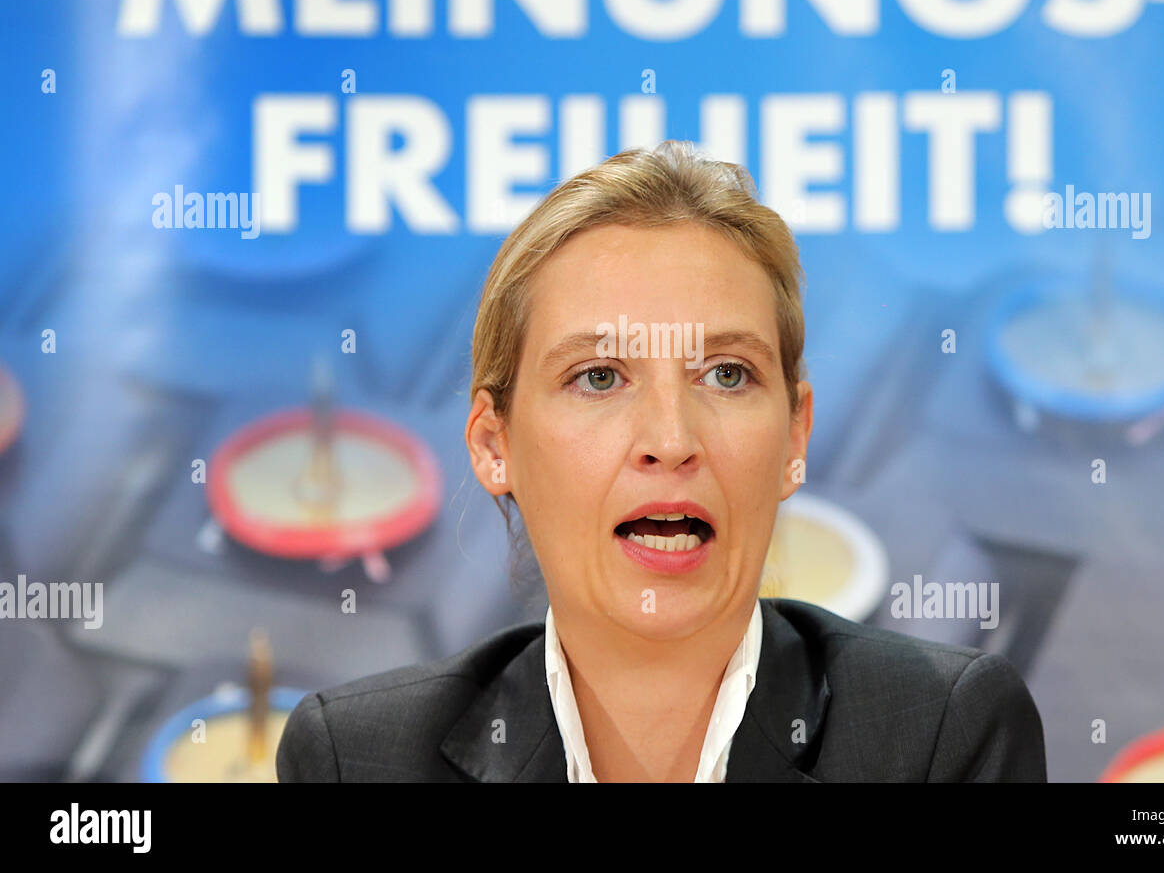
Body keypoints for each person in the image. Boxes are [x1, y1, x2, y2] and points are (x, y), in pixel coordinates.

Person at [276, 140, 1047, 782]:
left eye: (726, 375)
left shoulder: (940, 737)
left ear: (795, 436)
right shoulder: (361, 761)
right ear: (492, 444)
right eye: (600, 378)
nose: (671, 440)